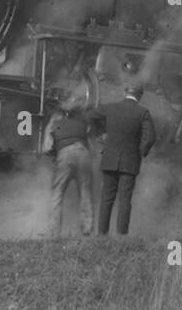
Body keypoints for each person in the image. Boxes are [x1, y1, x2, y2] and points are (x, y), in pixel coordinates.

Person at [98, 84, 155, 236]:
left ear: (125, 92)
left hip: (109, 159)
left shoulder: (109, 108)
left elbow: (90, 117)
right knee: (125, 200)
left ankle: (101, 234)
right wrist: (140, 152)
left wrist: (100, 135)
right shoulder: (143, 112)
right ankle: (121, 235)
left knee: (106, 198)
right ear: (140, 95)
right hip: (129, 162)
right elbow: (150, 137)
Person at [42, 95, 96, 237]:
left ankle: (53, 233)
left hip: (65, 156)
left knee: (57, 194)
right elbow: (92, 148)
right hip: (84, 155)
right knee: (85, 193)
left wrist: (56, 152)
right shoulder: (82, 125)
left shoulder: (54, 123)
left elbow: (47, 148)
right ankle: (87, 230)